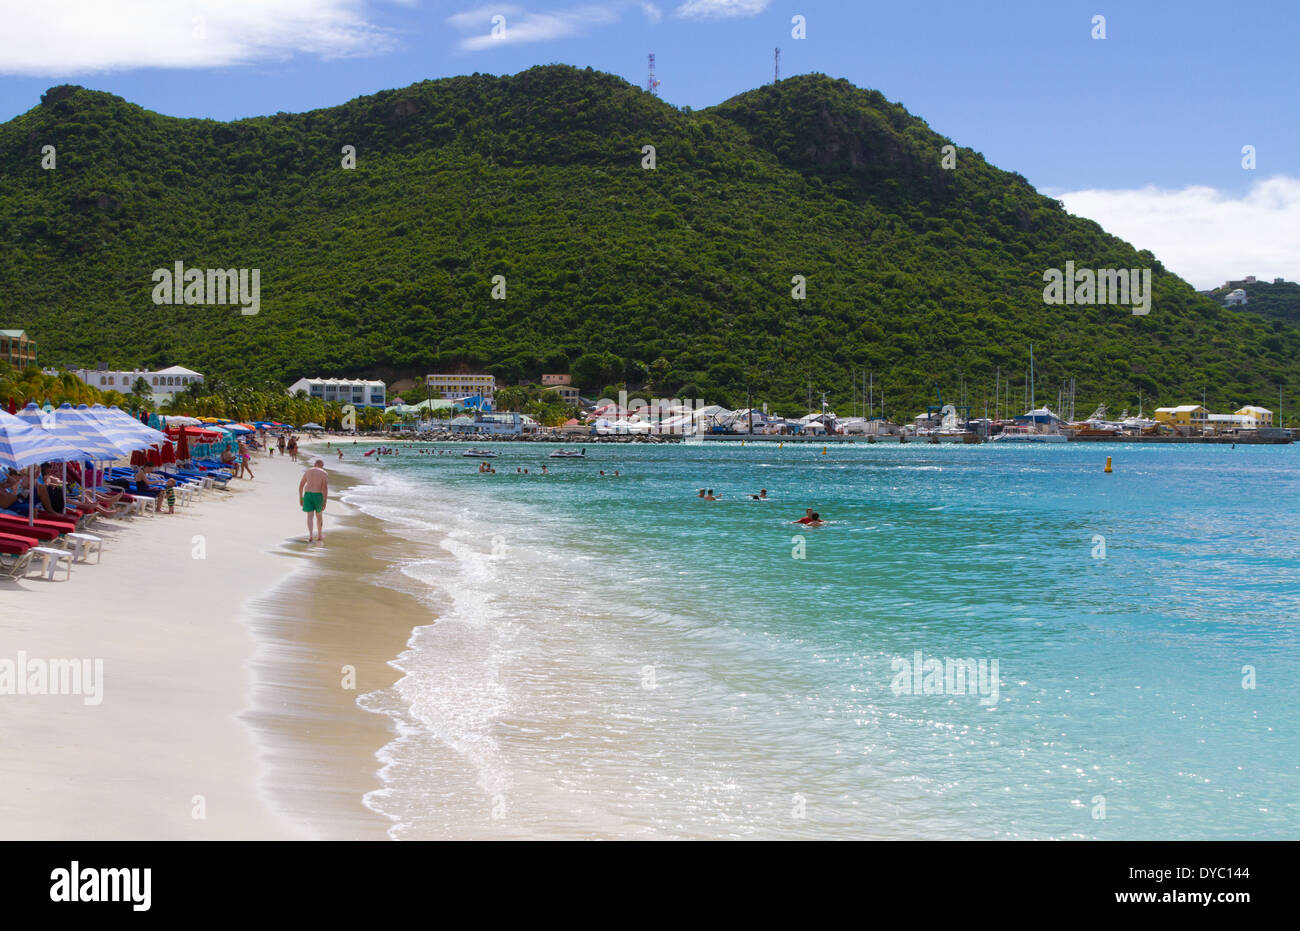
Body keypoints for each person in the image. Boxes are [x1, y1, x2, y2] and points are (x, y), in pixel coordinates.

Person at [299, 459, 329, 544]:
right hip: (318, 495)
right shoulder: (324, 473)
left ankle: (311, 536)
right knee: (319, 516)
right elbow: (324, 488)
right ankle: (319, 535)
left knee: (310, 516)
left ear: (315, 464)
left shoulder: (308, 471)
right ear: (322, 465)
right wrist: (325, 501)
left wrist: (301, 498)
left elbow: (301, 486)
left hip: (308, 494)